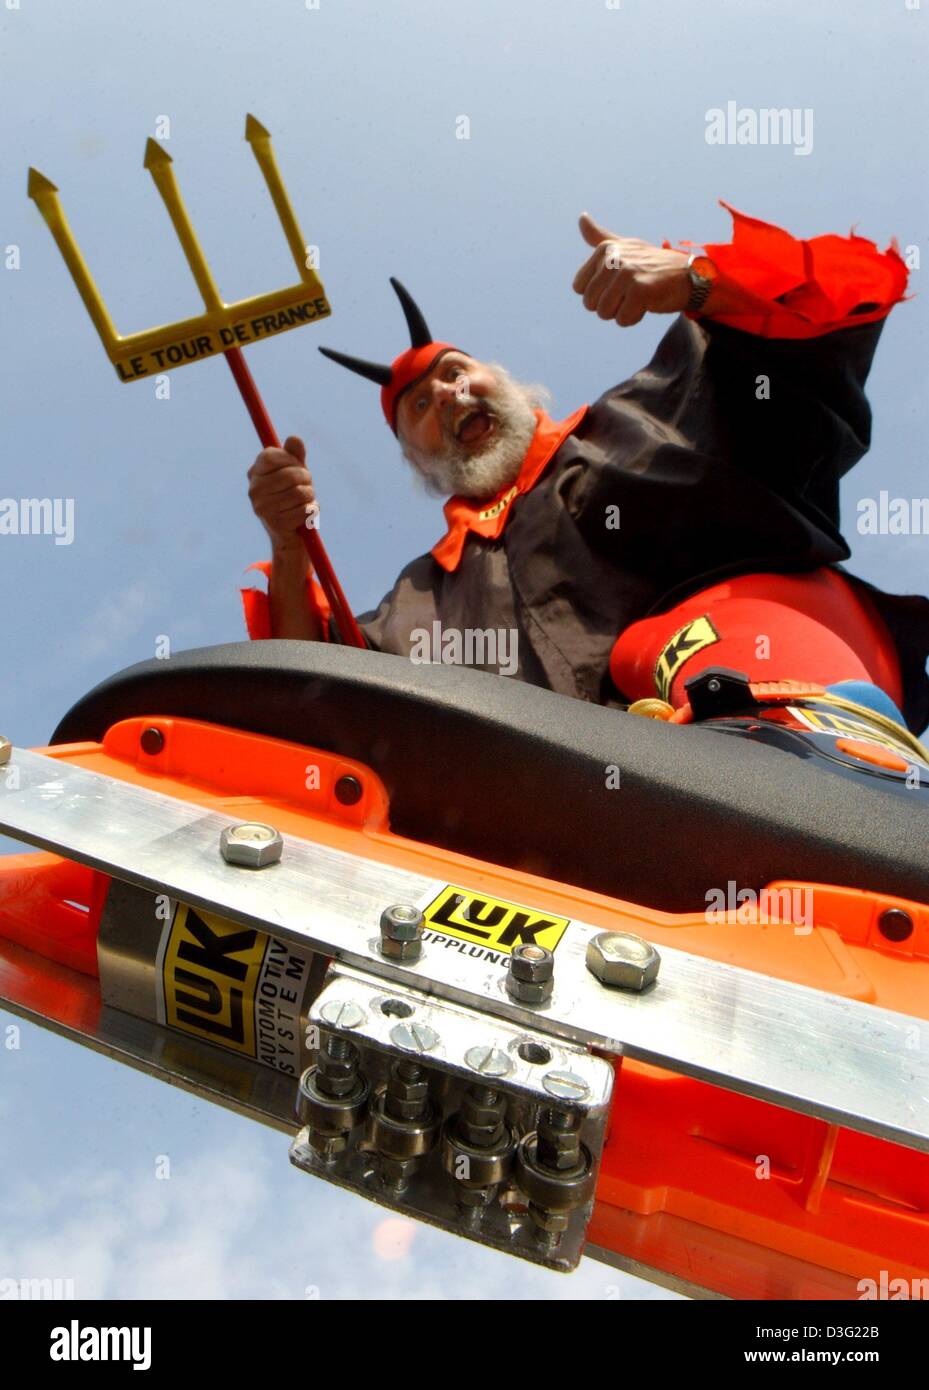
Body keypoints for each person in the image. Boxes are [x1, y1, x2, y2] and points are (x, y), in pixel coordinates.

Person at [242, 203, 929, 737]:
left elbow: (837, 305)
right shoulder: (419, 599)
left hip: (766, 739)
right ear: (418, 458)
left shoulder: (646, 416)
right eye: (419, 405)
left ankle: (832, 785)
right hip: (533, 847)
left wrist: (697, 282)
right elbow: (313, 693)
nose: (448, 396)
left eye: (455, 373)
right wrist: (286, 541)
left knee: (673, 640)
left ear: (503, 380)